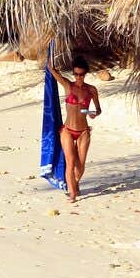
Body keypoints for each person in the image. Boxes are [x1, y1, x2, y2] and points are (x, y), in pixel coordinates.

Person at [49, 56, 101, 202]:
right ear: (73, 73)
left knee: (81, 166)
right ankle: (72, 193)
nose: (78, 77)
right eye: (76, 74)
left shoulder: (91, 90)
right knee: (70, 162)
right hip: (67, 130)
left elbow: (98, 109)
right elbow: (52, 71)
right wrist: (51, 57)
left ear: (85, 74)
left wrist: (93, 113)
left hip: (83, 131)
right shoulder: (68, 86)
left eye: (81, 74)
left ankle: (75, 183)